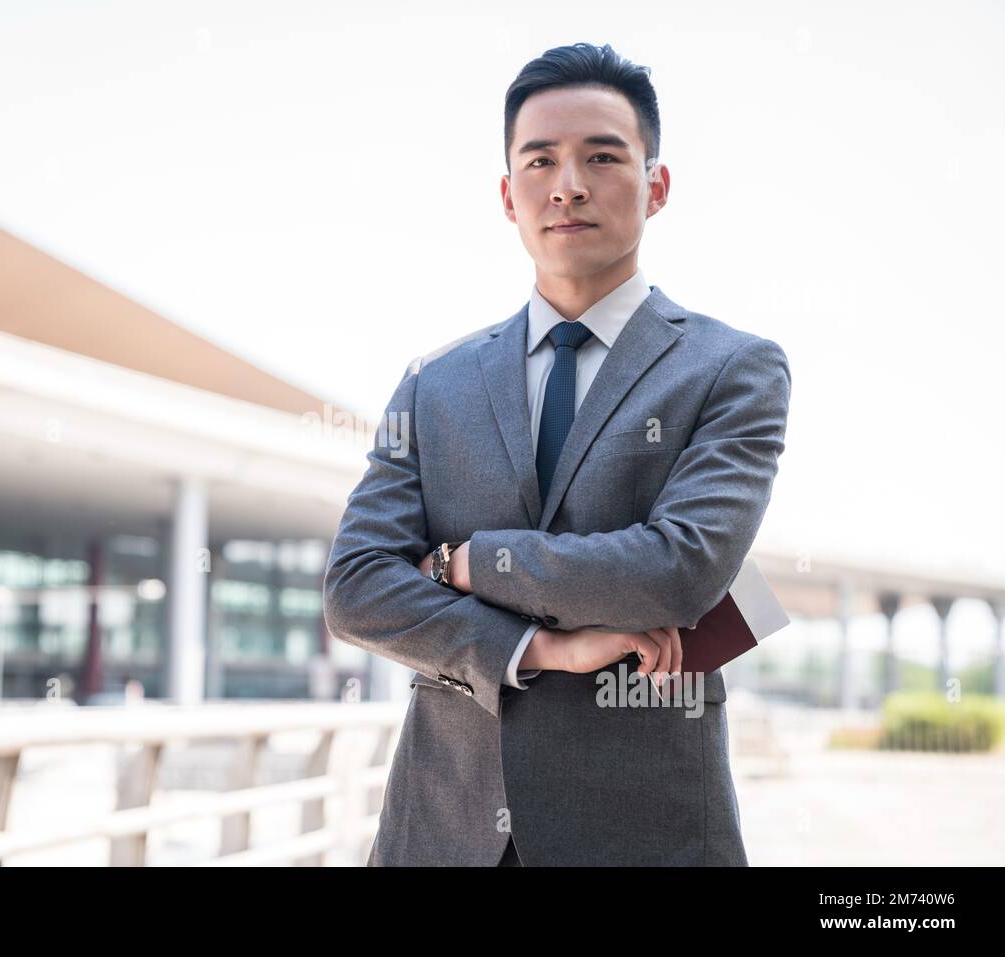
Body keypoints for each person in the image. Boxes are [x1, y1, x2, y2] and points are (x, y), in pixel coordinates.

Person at [322, 42, 791, 866]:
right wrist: (538, 648)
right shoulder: (435, 382)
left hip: (647, 833)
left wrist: (467, 562)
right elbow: (358, 586)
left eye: (602, 157)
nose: (567, 184)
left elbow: (678, 570)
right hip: (443, 829)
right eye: (540, 160)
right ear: (509, 195)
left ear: (657, 184)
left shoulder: (732, 369)